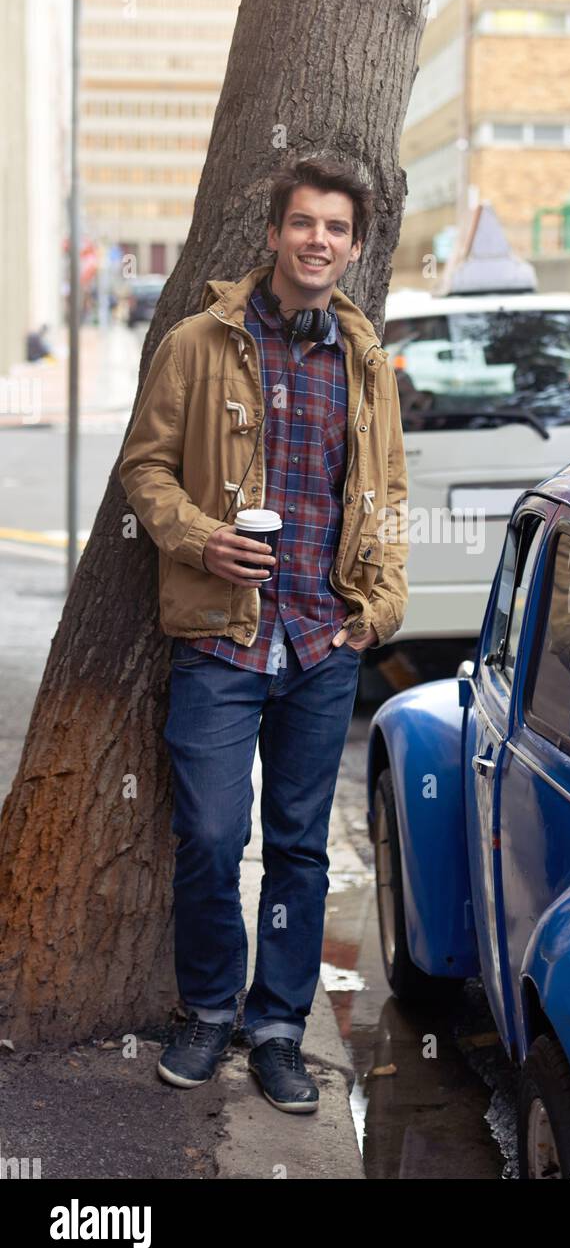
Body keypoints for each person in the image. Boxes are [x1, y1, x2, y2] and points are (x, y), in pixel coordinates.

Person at [119, 156, 408, 1114]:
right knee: (208, 835)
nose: (317, 240)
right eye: (302, 223)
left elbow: (387, 495)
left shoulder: (367, 365)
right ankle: (208, 1009)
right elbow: (146, 469)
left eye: (335, 228)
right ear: (275, 235)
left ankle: (279, 1027)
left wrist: (377, 612)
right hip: (219, 636)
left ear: (355, 248)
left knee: (299, 849)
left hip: (322, 645)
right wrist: (203, 540)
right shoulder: (201, 343)